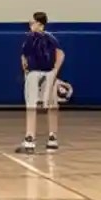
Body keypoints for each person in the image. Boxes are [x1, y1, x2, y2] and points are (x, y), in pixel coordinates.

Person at [18, 11, 65, 153]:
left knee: (46, 105)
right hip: (38, 73)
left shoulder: (44, 38)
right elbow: (24, 57)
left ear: (40, 24)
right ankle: (36, 137)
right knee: (40, 105)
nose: (30, 25)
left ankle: (44, 137)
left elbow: (60, 54)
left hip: (43, 73)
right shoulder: (33, 38)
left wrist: (55, 71)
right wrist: (26, 71)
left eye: (32, 22)